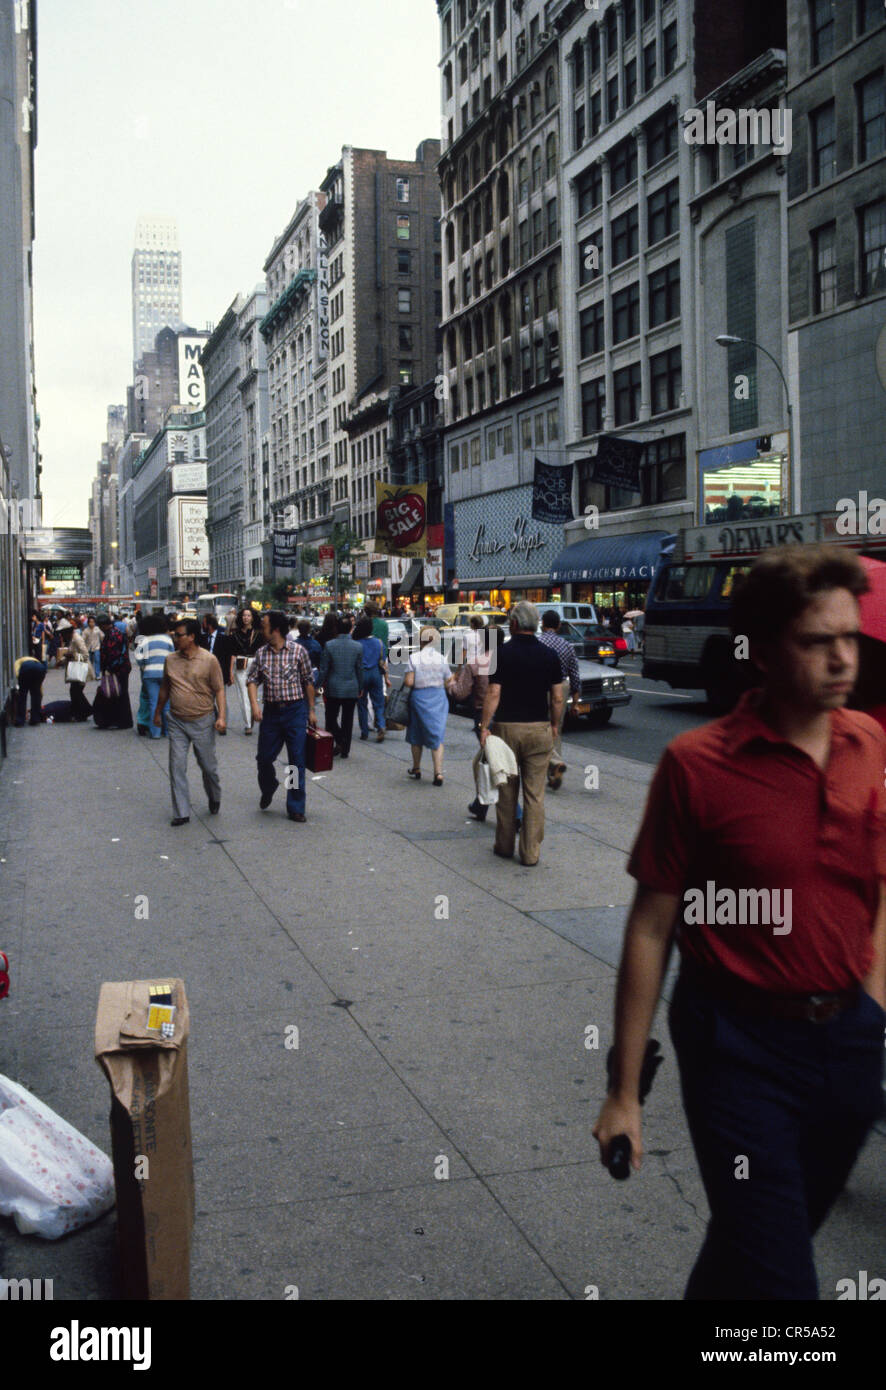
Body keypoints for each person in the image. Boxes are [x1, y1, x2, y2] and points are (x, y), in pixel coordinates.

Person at [594, 544, 886, 1300]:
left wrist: (875, 1003)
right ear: (762, 650)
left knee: (755, 1249)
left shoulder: (868, 744)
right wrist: (624, 1090)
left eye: (849, 638)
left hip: (848, 1042)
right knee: (783, 1282)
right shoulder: (698, 765)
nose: (841, 659)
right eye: (817, 642)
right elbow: (651, 928)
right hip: (737, 1049)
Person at [479, 601, 563, 866]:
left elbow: (493, 692)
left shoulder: (499, 654)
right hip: (539, 728)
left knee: (506, 792)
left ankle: (504, 845)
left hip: (506, 729)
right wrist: (554, 725)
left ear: (513, 624)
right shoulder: (550, 655)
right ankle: (530, 853)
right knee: (535, 794)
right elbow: (558, 698)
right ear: (536, 623)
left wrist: (484, 726)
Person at [153, 617, 225, 826]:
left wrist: (221, 717)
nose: (175, 638)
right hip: (176, 721)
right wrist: (157, 713)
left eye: (179, 635)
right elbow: (165, 688)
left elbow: (219, 689)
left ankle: (214, 796)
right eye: (174, 634)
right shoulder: (171, 660)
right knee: (176, 766)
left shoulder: (209, 660)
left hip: (203, 720)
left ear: (192, 637)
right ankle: (181, 812)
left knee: (208, 766)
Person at [247, 610, 317, 822]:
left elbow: (308, 681)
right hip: (271, 713)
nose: (261, 629)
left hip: (295, 711)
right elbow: (251, 679)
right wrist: (254, 705)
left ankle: (295, 806)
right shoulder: (261, 653)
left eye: (264, 626)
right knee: (264, 758)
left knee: (296, 761)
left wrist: (311, 710)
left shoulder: (298, 652)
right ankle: (269, 786)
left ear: (275, 629)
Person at [403, 627, 456, 785]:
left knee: (415, 734)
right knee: (437, 734)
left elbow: (409, 682)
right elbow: (449, 681)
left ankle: (416, 768)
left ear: (421, 639)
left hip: (419, 697)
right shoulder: (441, 658)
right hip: (438, 698)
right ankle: (438, 772)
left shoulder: (414, 657)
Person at [538, 610, 582, 792]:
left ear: (542, 624)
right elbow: (575, 675)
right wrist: (576, 702)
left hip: (540, 687)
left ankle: (552, 764)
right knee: (556, 728)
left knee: (539, 728)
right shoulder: (567, 645)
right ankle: (555, 771)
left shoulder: (538, 642)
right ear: (557, 626)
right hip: (561, 687)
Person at [318, 617, 364, 758]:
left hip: (333, 686)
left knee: (331, 717)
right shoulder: (358, 646)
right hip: (351, 687)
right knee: (348, 719)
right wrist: (360, 687)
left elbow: (324, 669)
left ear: (336, 629)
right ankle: (345, 749)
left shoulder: (329, 645)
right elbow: (359, 669)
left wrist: (318, 684)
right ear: (351, 628)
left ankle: (339, 740)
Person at [92, 613, 133, 730]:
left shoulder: (112, 635)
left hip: (117, 670)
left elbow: (114, 655)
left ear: (103, 625)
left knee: (116, 694)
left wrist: (109, 669)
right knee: (120, 694)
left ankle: (119, 721)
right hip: (121, 668)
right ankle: (121, 720)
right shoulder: (115, 633)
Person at [136, 614, 174, 739]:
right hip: (165, 674)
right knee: (166, 703)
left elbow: (139, 659)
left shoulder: (143, 640)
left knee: (153, 703)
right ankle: (168, 731)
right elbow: (172, 656)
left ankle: (155, 732)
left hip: (149, 675)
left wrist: (146, 666)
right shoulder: (167, 639)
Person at [353, 616, 390, 742]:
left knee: (362, 704)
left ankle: (364, 731)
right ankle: (381, 726)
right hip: (376, 674)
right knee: (378, 703)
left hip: (362, 675)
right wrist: (386, 677)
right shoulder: (379, 643)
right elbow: (383, 661)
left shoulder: (357, 644)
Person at [229, 606, 262, 735]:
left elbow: (261, 652)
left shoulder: (258, 633)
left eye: (248, 615)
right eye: (244, 615)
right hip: (240, 664)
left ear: (252, 618)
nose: (246, 618)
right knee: (243, 694)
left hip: (254, 664)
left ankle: (252, 713)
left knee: (252, 693)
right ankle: (248, 723)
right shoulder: (235, 634)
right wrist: (230, 672)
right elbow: (232, 653)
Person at [64, 624, 93, 722]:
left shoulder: (77, 639)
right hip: (76, 668)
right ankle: (83, 712)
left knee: (76, 691)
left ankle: (84, 711)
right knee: (75, 691)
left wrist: (72, 655)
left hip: (80, 668)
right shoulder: (73, 639)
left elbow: (85, 654)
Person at [13, 654, 47, 726]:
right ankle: (35, 719)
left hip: (25, 670)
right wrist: (40, 693)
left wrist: (20, 685)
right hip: (40, 669)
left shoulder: (17, 662)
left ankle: (20, 720)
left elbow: (17, 673)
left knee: (22, 696)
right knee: (36, 695)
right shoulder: (36, 661)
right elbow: (40, 686)